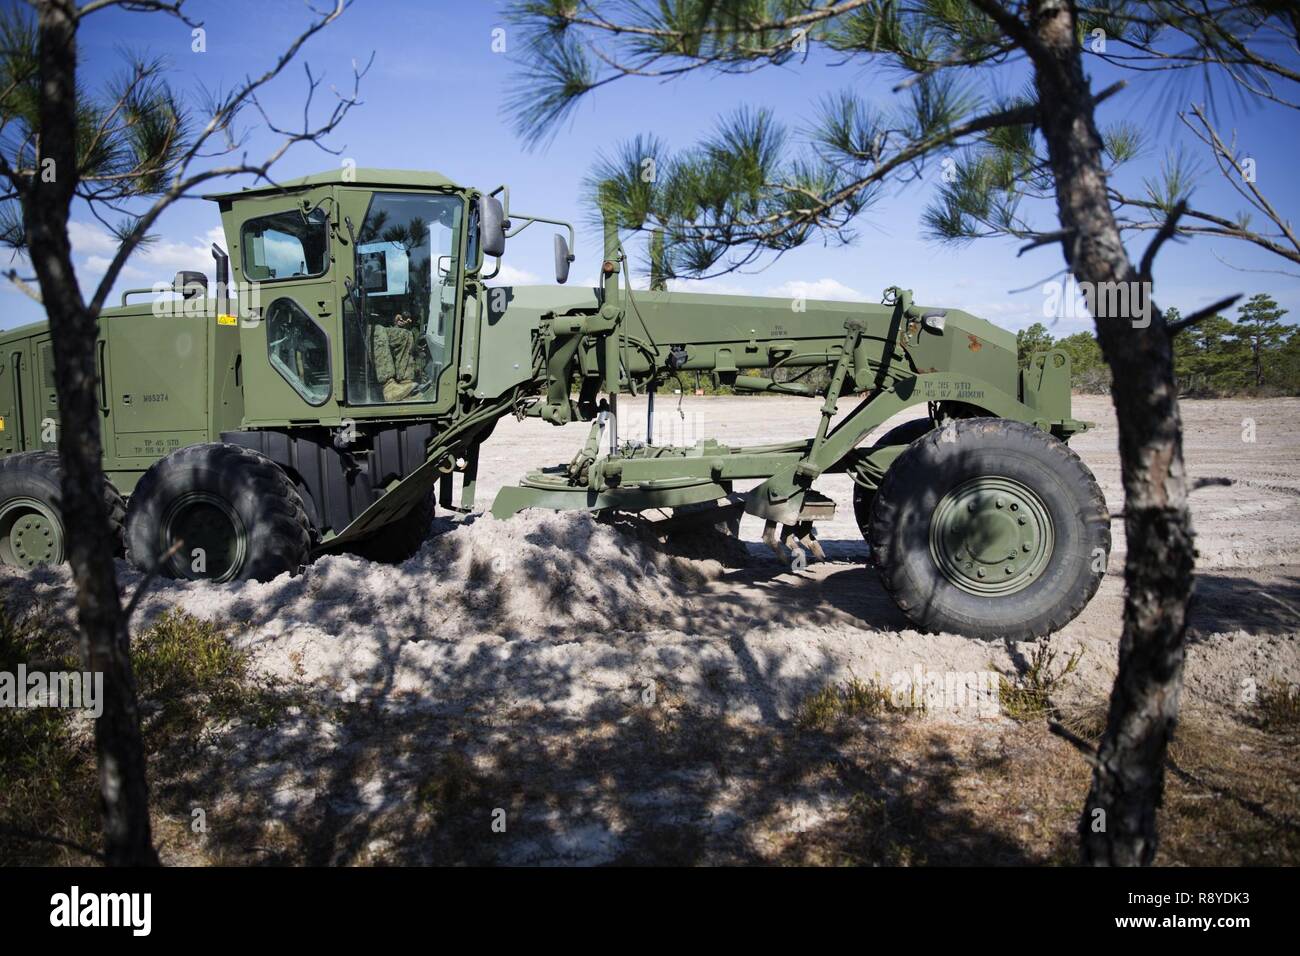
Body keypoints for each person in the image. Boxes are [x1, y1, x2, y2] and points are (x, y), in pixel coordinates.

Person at [372, 312, 419, 402]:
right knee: (377, 330)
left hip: (375, 323)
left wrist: (395, 320)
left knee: (405, 334)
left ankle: (404, 383)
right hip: (357, 326)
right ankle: (389, 388)